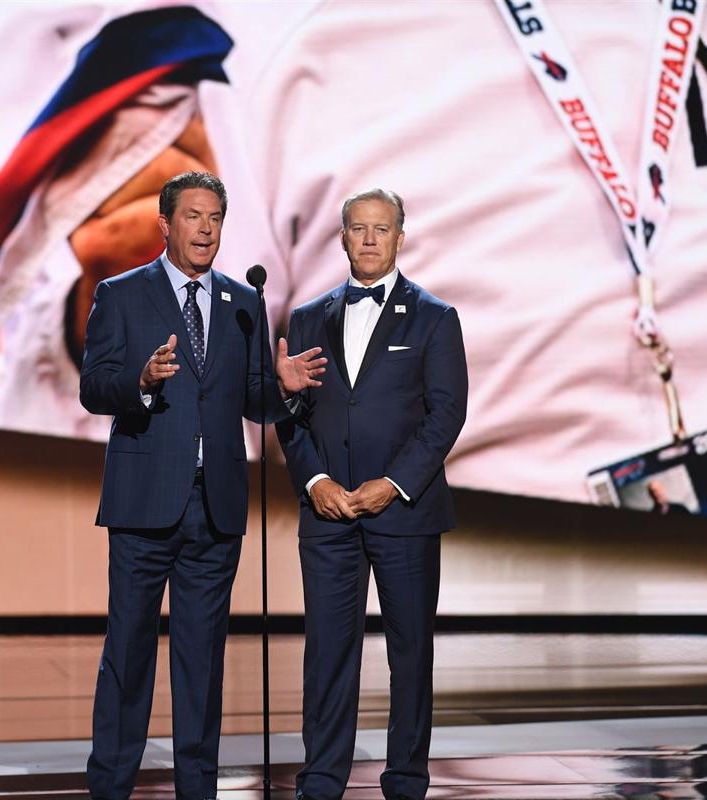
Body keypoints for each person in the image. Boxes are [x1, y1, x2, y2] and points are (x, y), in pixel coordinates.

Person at [80, 171, 324, 800]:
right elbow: (94, 386)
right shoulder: (121, 294)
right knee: (129, 654)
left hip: (215, 508)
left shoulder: (243, 303)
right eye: (194, 216)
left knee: (201, 663)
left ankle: (199, 788)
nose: (207, 229)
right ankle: (110, 785)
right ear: (166, 225)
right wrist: (139, 379)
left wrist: (284, 388)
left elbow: (252, 401)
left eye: (216, 217)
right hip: (143, 504)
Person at [275, 190, 468, 800]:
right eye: (357, 228)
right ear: (342, 237)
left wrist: (393, 485)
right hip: (328, 514)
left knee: (410, 655)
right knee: (328, 654)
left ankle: (406, 780)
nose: (367, 239)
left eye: (379, 229)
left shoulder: (436, 318)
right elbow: (291, 414)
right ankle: (322, 780)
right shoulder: (306, 318)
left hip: (405, 512)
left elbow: (446, 416)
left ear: (400, 237)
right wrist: (316, 482)